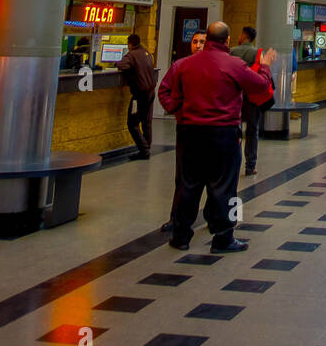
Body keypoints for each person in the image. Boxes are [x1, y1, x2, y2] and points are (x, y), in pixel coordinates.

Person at [158, 21, 275, 252]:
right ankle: (223, 237)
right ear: (228, 40)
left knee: (187, 185)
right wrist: (264, 65)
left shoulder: (182, 64)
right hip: (224, 134)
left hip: (189, 132)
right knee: (225, 187)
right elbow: (261, 86)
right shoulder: (234, 65)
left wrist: (176, 108)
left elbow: (164, 90)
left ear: (207, 39)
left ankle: (180, 237)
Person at [160, 31, 206, 233]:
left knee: (213, 179)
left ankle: (212, 218)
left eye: (202, 42)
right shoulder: (180, 66)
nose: (197, 45)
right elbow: (164, 90)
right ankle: (177, 219)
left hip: (212, 129)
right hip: (187, 128)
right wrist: (174, 109)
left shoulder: (217, 65)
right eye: (195, 41)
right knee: (183, 178)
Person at [117, 33, 158, 161]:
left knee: (132, 123)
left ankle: (144, 150)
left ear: (130, 44)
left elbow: (122, 65)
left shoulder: (131, 55)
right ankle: (147, 148)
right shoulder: (146, 53)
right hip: (151, 92)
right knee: (147, 122)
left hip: (139, 95)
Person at [230, 25, 262, 176]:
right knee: (252, 130)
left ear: (243, 36)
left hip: (234, 96)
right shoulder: (257, 53)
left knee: (234, 130)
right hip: (252, 97)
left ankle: (232, 164)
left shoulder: (232, 51)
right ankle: (251, 165)